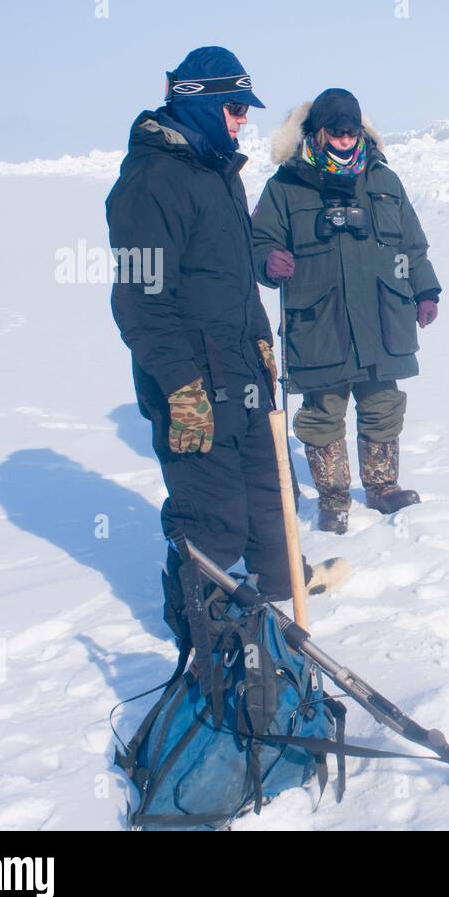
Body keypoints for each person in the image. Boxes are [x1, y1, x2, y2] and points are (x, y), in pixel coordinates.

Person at [107, 47, 341, 643]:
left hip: (241, 366)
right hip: (192, 381)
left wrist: (262, 343)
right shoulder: (151, 182)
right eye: (234, 108)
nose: (242, 119)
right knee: (214, 516)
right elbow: (140, 301)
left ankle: (281, 581)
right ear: (200, 102)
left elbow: (233, 281)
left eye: (244, 109)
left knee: (268, 491)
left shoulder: (217, 174)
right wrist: (180, 387)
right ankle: (199, 626)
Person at [251, 88, 441, 534]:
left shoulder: (384, 181)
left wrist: (426, 289)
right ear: (316, 132)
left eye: (350, 130)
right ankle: (334, 500)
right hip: (320, 320)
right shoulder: (285, 185)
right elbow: (259, 241)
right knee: (323, 411)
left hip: (381, 316)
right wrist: (267, 261)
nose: (343, 138)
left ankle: (382, 487)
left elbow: (412, 245)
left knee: (382, 403)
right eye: (334, 131)